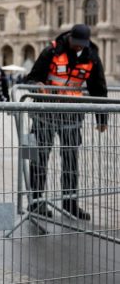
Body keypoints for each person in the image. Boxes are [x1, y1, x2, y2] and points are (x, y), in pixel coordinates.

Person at [25, 24, 106, 220]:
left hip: (71, 115)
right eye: (76, 44)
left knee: (70, 161)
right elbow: (32, 77)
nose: (79, 48)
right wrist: (37, 85)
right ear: (70, 38)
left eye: (82, 45)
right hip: (45, 113)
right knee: (39, 159)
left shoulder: (92, 55)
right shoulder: (52, 51)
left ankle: (70, 203)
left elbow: (98, 87)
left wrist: (102, 118)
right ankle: (36, 202)